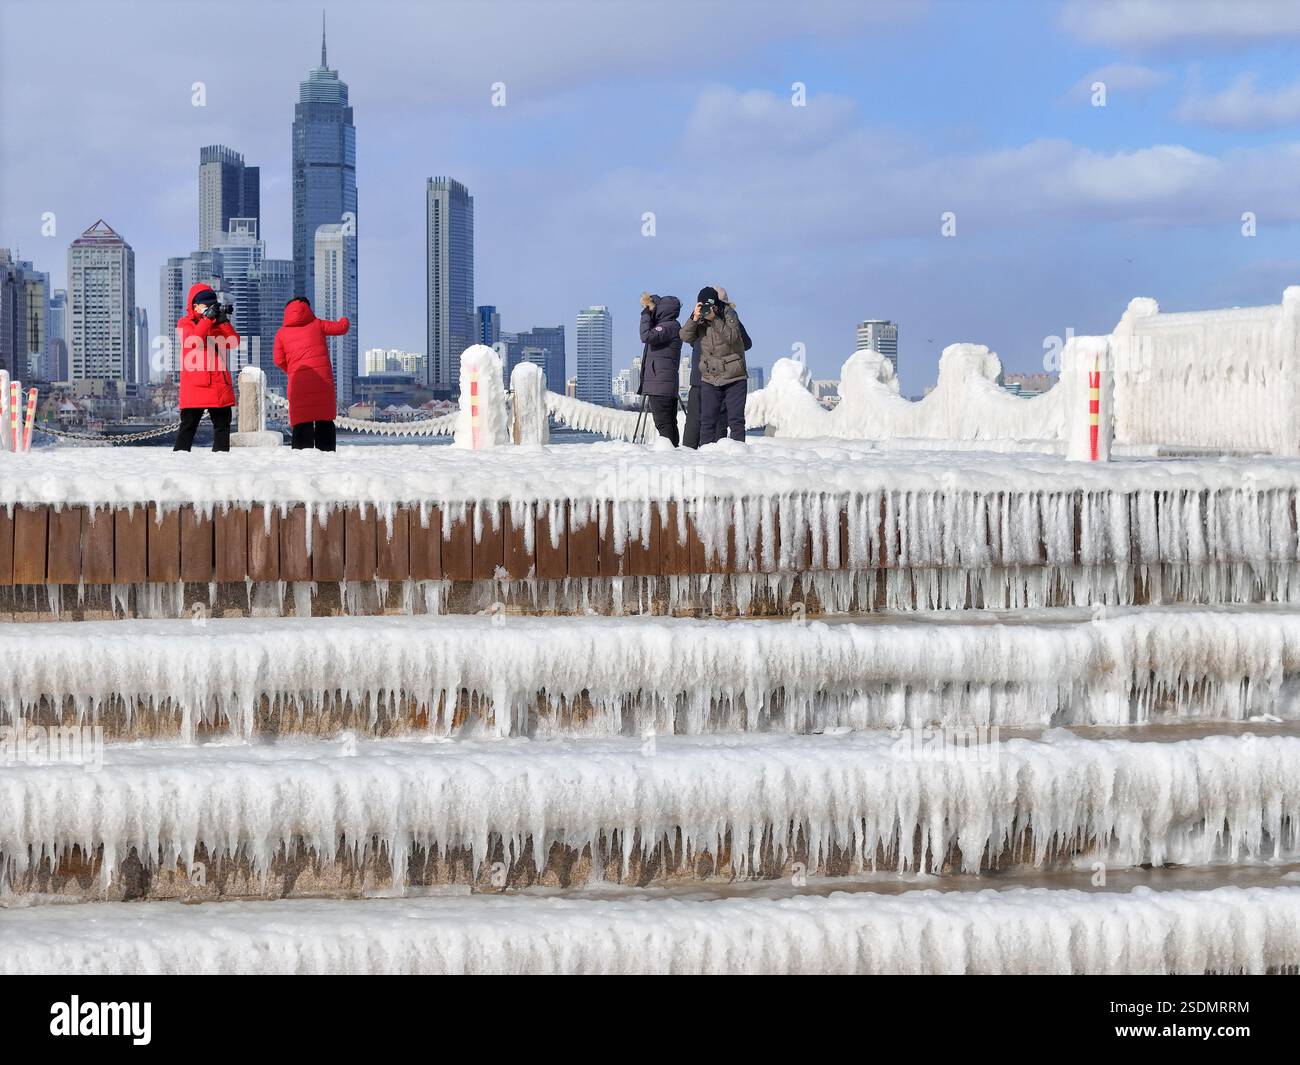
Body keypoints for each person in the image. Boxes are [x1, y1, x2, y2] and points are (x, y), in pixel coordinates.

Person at [272, 296, 350, 451]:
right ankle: (326, 457)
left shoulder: (281, 333)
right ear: (308, 308)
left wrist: (293, 371)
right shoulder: (317, 325)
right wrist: (345, 318)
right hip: (322, 381)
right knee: (324, 420)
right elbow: (342, 327)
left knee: (302, 421)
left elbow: (278, 360)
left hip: (298, 382)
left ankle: (302, 462)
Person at [683, 285, 751, 448]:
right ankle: (706, 455)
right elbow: (685, 336)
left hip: (733, 375)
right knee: (707, 421)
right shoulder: (698, 319)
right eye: (702, 305)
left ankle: (736, 456)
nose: (706, 309)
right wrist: (694, 317)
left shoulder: (728, 315)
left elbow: (735, 338)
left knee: (734, 420)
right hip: (708, 377)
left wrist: (715, 319)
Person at [174, 284, 238, 452]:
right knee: (188, 426)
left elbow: (233, 342)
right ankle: (178, 463)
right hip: (197, 384)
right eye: (206, 306)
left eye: (212, 305)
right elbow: (193, 341)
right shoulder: (184, 323)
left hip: (218, 383)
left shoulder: (216, 323)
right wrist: (207, 319)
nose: (210, 308)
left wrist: (223, 321)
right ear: (194, 306)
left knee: (222, 426)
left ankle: (221, 462)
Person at [637, 292, 683, 446]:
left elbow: (646, 336)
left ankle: (670, 454)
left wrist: (646, 313)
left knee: (664, 424)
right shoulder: (671, 326)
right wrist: (651, 304)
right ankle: (674, 451)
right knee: (669, 423)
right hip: (663, 384)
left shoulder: (667, 327)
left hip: (660, 385)